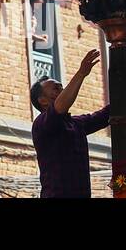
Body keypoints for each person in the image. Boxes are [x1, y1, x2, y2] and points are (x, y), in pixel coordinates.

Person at [30, 48, 110, 198]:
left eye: (62, 87)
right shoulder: (41, 124)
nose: (63, 90)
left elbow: (104, 115)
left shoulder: (75, 123)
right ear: (43, 101)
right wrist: (81, 73)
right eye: (56, 88)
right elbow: (59, 107)